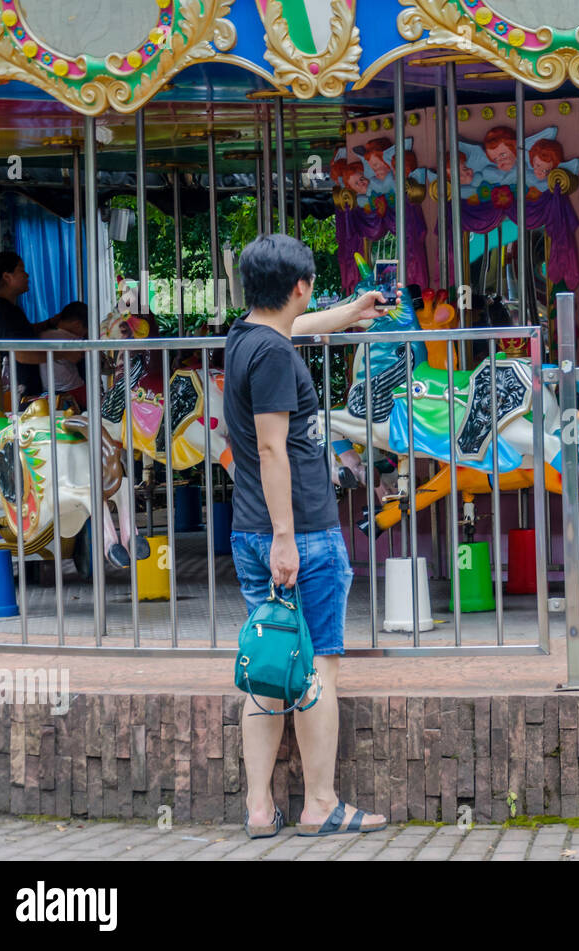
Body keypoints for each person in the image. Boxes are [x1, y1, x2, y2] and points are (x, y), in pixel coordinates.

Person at [224, 233, 389, 838]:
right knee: (319, 666)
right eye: (309, 286)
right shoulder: (272, 355)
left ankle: (261, 810)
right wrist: (286, 539)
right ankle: (320, 805)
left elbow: (294, 323)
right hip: (298, 535)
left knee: (270, 665)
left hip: (254, 529)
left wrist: (349, 313)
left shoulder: (246, 336)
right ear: (298, 286)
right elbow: (271, 447)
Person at [0, 252, 81, 399]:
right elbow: (22, 354)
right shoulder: (2, 311)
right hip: (16, 396)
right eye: (21, 270)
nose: (27, 275)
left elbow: (23, 334)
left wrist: (49, 323)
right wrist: (64, 353)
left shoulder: (6, 309)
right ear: (7, 277)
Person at [39, 301, 89, 408]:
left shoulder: (43, 334)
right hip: (72, 390)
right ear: (77, 325)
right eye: (85, 331)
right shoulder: (72, 338)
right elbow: (81, 356)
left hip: (47, 390)